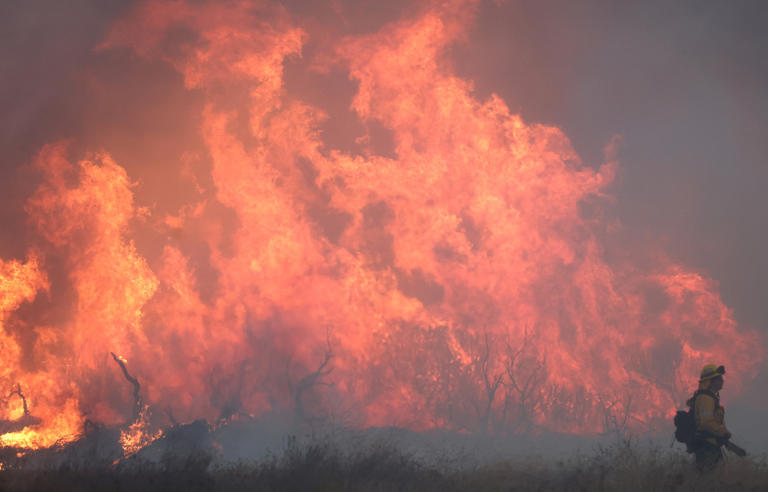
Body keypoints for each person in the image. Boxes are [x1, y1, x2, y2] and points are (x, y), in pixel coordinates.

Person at [687, 364, 730, 472]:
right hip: (707, 445)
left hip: (710, 443)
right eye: (719, 378)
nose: (722, 381)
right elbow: (706, 422)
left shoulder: (709, 397)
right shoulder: (706, 398)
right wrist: (723, 432)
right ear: (710, 381)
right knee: (708, 478)